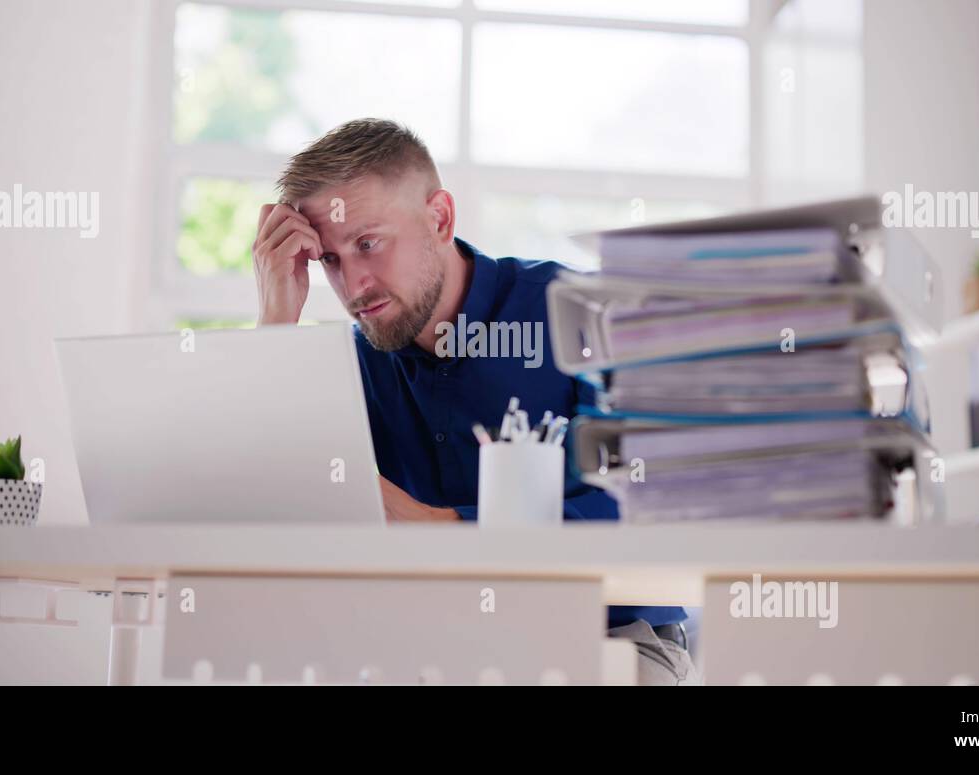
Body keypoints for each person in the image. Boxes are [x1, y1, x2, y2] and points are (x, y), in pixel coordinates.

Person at [253, 118, 696, 685]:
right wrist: (275, 322)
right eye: (332, 261)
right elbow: (264, 513)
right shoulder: (343, 366)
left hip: (607, 641)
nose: (354, 285)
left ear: (440, 217)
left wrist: (444, 529)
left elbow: (651, 513)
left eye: (368, 243)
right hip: (429, 649)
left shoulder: (582, 314)